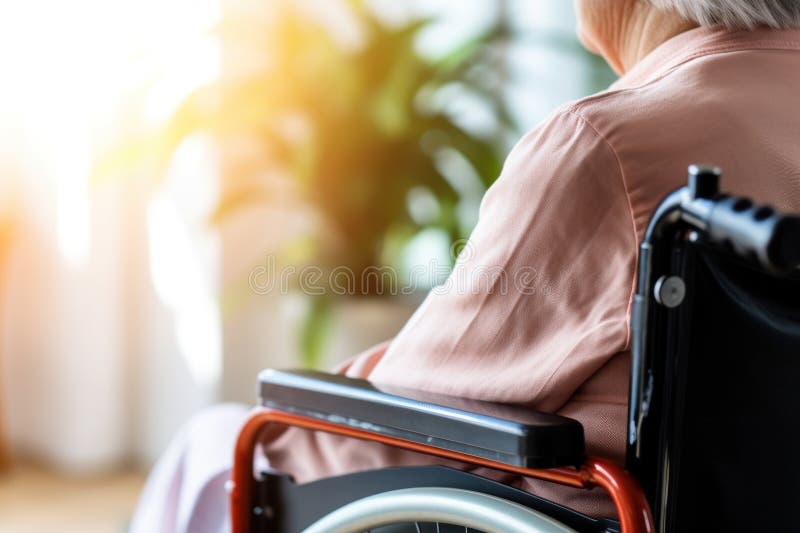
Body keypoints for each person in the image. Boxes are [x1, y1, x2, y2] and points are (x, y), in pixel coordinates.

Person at [131, 1, 800, 531]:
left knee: (216, 447)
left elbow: (397, 428)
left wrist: (305, 411)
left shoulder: (611, 147)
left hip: (570, 512)